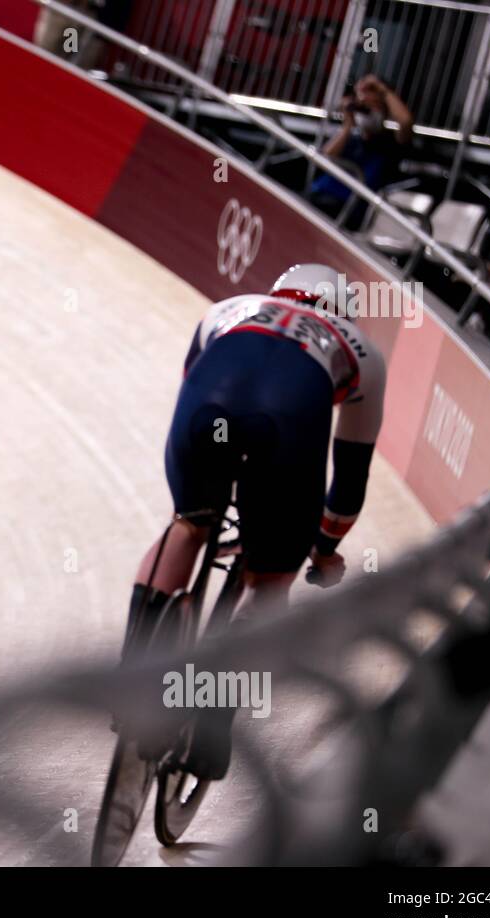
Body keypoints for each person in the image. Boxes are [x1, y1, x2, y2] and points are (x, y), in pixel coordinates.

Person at [126, 264, 387, 779]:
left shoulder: (228, 309)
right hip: (284, 428)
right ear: (343, 313)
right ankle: (213, 726)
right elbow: (350, 476)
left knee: (188, 523)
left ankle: (132, 678)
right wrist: (324, 544)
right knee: (271, 578)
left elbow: (192, 387)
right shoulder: (362, 352)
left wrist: (205, 491)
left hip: (207, 414)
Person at [310, 75, 415, 222]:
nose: (365, 106)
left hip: (345, 209)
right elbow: (323, 159)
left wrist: (383, 90)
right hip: (318, 196)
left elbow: (405, 121)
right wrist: (347, 126)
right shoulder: (351, 137)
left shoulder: (391, 143)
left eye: (372, 106)